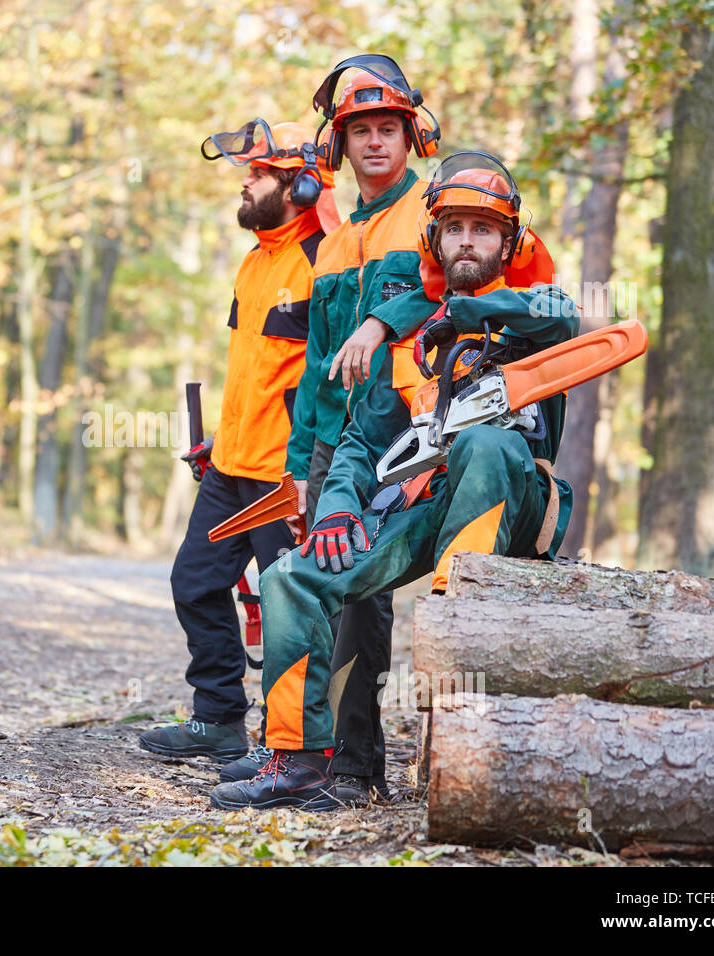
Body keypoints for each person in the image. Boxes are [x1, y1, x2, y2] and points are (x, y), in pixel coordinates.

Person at [209, 151, 579, 810]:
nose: (469, 241)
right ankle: (301, 757)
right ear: (435, 238)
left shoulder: (534, 307)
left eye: (484, 230)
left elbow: (563, 319)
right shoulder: (407, 338)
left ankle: (458, 602)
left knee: (488, 444)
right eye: (456, 228)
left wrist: (469, 317)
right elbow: (358, 437)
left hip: (510, 504)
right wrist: (339, 509)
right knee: (290, 577)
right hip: (425, 504)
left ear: (507, 240)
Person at [240, 55, 442, 798]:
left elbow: (457, 285)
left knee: (361, 601)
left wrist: (383, 323)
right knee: (307, 590)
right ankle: (298, 752)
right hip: (333, 445)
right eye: (361, 132)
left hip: (401, 440)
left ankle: (355, 765)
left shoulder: (430, 214)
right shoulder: (332, 241)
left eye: (388, 128)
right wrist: (300, 464)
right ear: (340, 146)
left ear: (410, 135)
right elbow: (318, 365)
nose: (376, 144)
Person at [137, 119, 339, 764]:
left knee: (289, 608)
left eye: (256, 174)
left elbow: (327, 382)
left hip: (286, 477)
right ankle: (219, 719)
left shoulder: (323, 262)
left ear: (301, 186)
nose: (244, 184)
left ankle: (294, 746)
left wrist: (312, 468)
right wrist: (222, 437)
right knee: (195, 583)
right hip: (233, 466)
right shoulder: (255, 263)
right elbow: (258, 371)